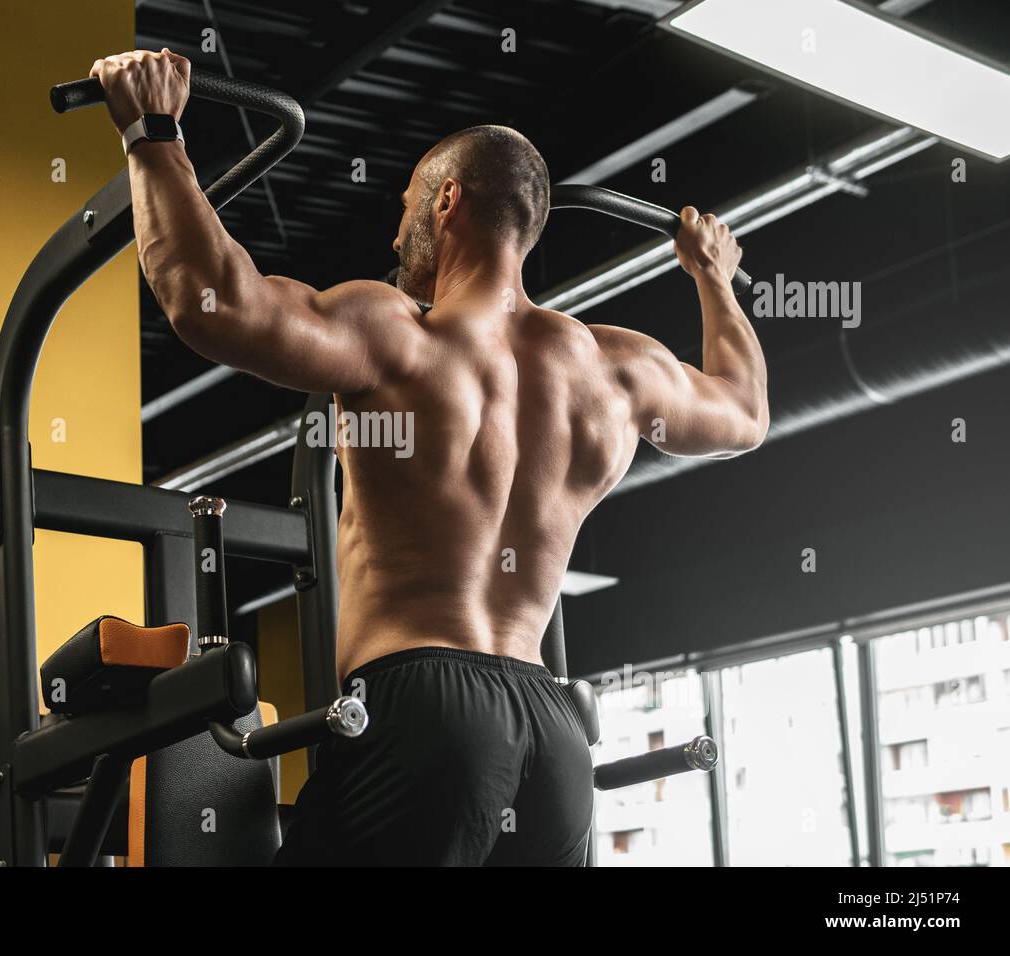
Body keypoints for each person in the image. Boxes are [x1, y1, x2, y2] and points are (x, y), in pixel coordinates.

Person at [91, 49, 769, 865]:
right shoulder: (617, 369)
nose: (395, 226)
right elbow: (745, 413)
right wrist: (714, 279)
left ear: (448, 201)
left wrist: (152, 132)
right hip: (549, 737)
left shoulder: (398, 334)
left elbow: (212, 303)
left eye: (408, 201)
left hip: (421, 711)